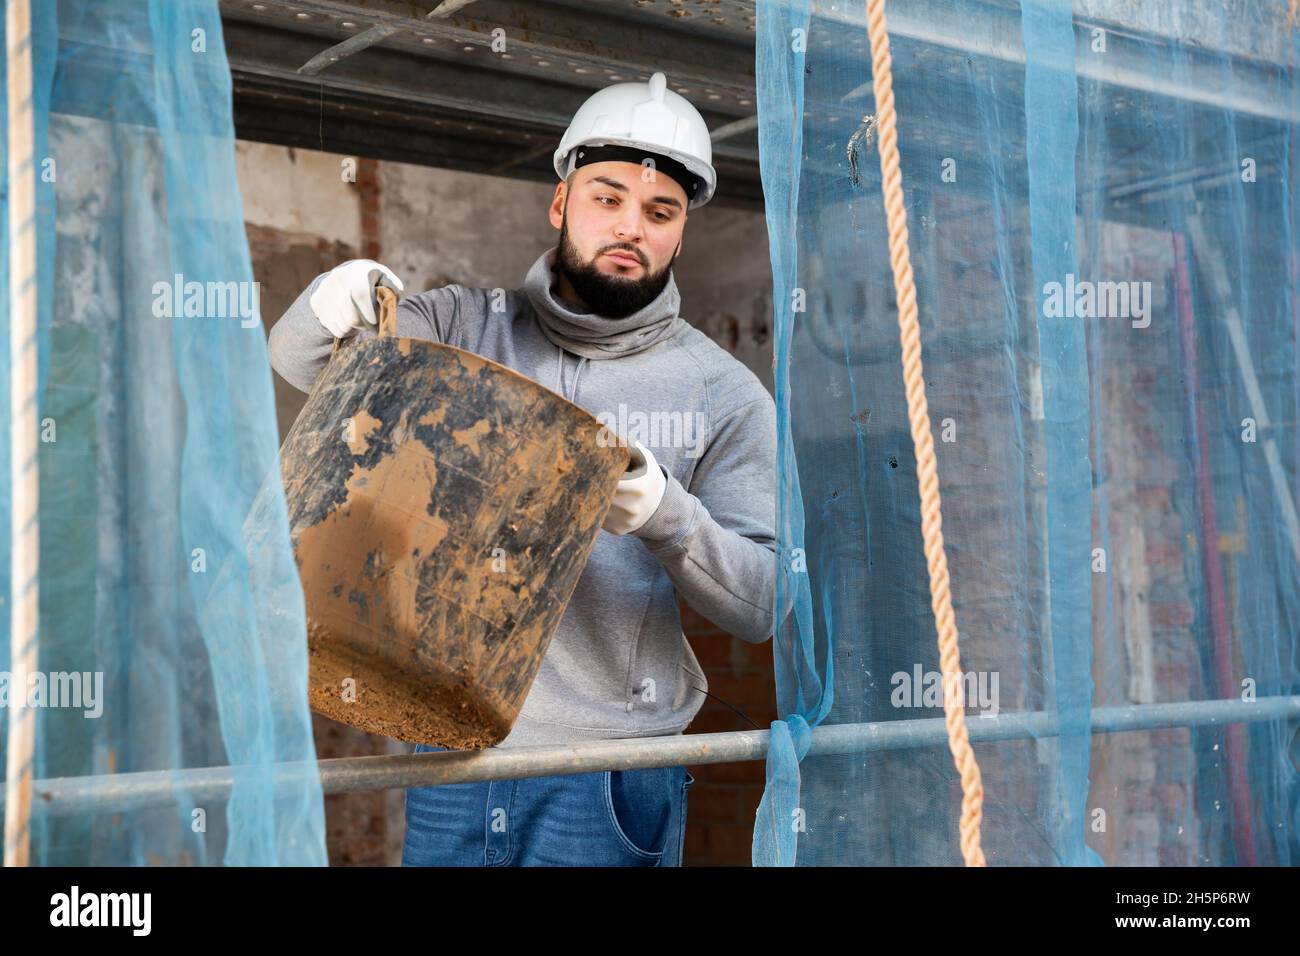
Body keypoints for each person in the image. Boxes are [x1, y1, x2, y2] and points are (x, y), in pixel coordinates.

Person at [268, 72, 776, 866]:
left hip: (607, 773)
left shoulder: (722, 393)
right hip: (450, 747)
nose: (631, 227)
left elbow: (763, 603)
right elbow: (303, 363)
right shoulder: (461, 324)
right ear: (561, 202)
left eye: (660, 212)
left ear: (682, 234)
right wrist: (330, 299)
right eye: (608, 197)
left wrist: (661, 513)